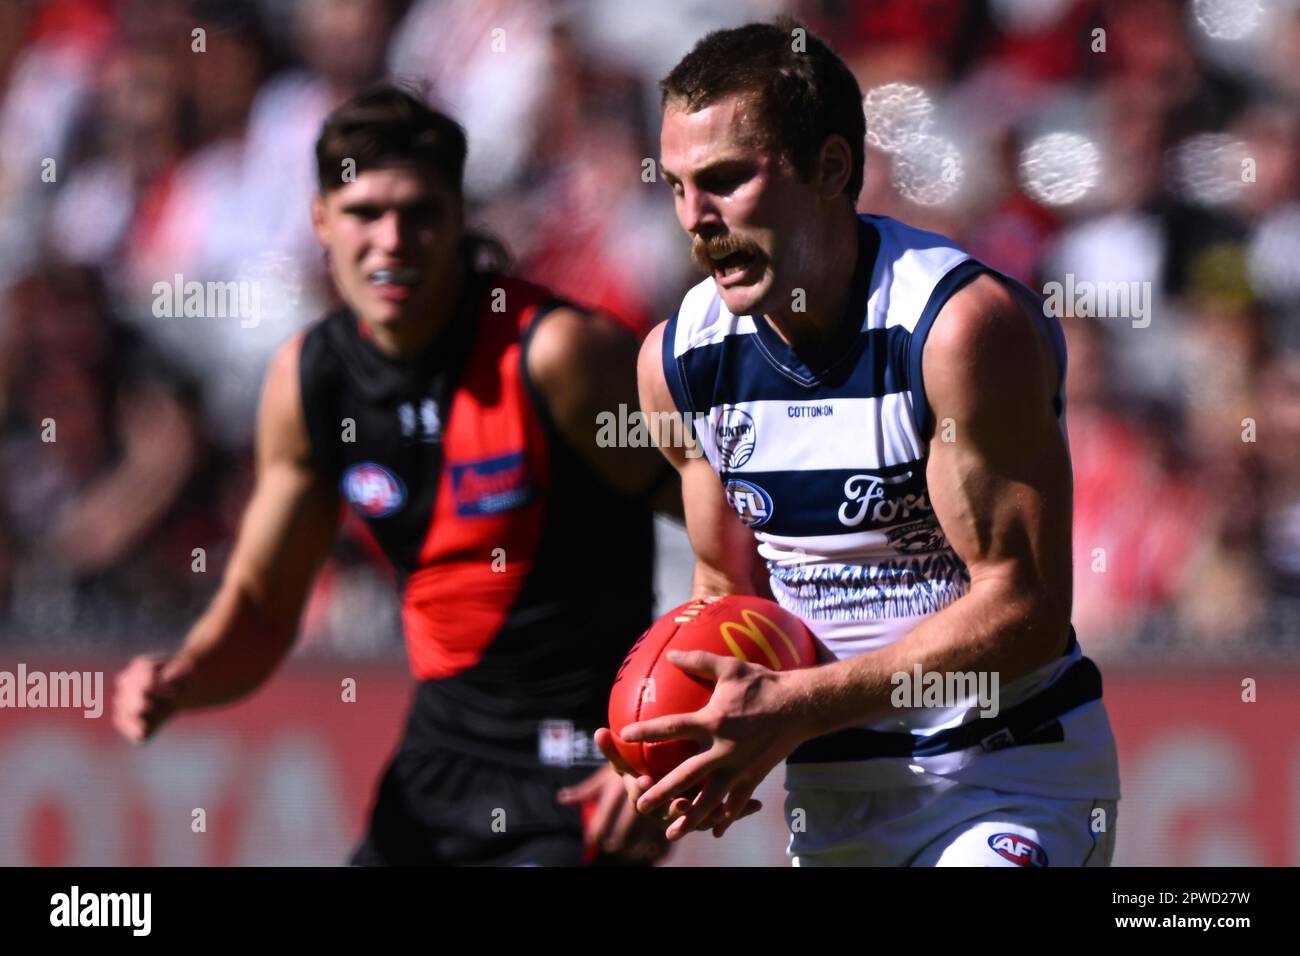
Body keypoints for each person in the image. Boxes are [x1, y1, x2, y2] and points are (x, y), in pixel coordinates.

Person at [597, 20, 1121, 867]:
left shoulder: (956, 331)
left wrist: (802, 702)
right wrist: (675, 738)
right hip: (831, 800)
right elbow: (730, 594)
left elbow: (1024, 611)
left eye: (726, 181)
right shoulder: (677, 363)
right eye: (678, 185)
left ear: (832, 168)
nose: (696, 220)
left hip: (1003, 775)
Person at [114, 84, 677, 866]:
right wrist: (184, 674)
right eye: (364, 213)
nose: (392, 240)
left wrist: (666, 743)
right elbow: (261, 610)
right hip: (435, 775)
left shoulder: (560, 356)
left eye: (419, 212)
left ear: (457, 220)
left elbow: (738, 526)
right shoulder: (313, 380)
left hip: (586, 778)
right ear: (320, 221)